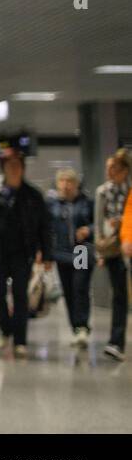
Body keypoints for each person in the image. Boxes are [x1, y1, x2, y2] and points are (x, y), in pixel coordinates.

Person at [0, 141, 51, 358]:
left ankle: (20, 340)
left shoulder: (32, 196)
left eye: (17, 165)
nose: (14, 169)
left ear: (23, 168)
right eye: (9, 165)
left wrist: (47, 254)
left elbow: (44, 226)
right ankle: (6, 330)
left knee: (20, 297)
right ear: (3, 167)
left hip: (22, 252)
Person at [46, 168, 94, 347]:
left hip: (80, 250)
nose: (65, 186)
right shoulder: (52, 205)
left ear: (76, 184)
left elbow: (96, 223)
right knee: (68, 290)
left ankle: (82, 326)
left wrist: (88, 230)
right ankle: (75, 328)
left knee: (79, 287)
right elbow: (46, 228)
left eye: (69, 182)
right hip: (61, 252)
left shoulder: (86, 203)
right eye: (62, 182)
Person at [94, 147, 131, 361]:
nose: (109, 172)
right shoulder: (102, 192)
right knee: (119, 295)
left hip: (130, 243)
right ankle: (116, 342)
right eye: (108, 168)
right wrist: (100, 251)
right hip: (113, 249)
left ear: (125, 170)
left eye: (114, 168)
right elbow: (98, 225)